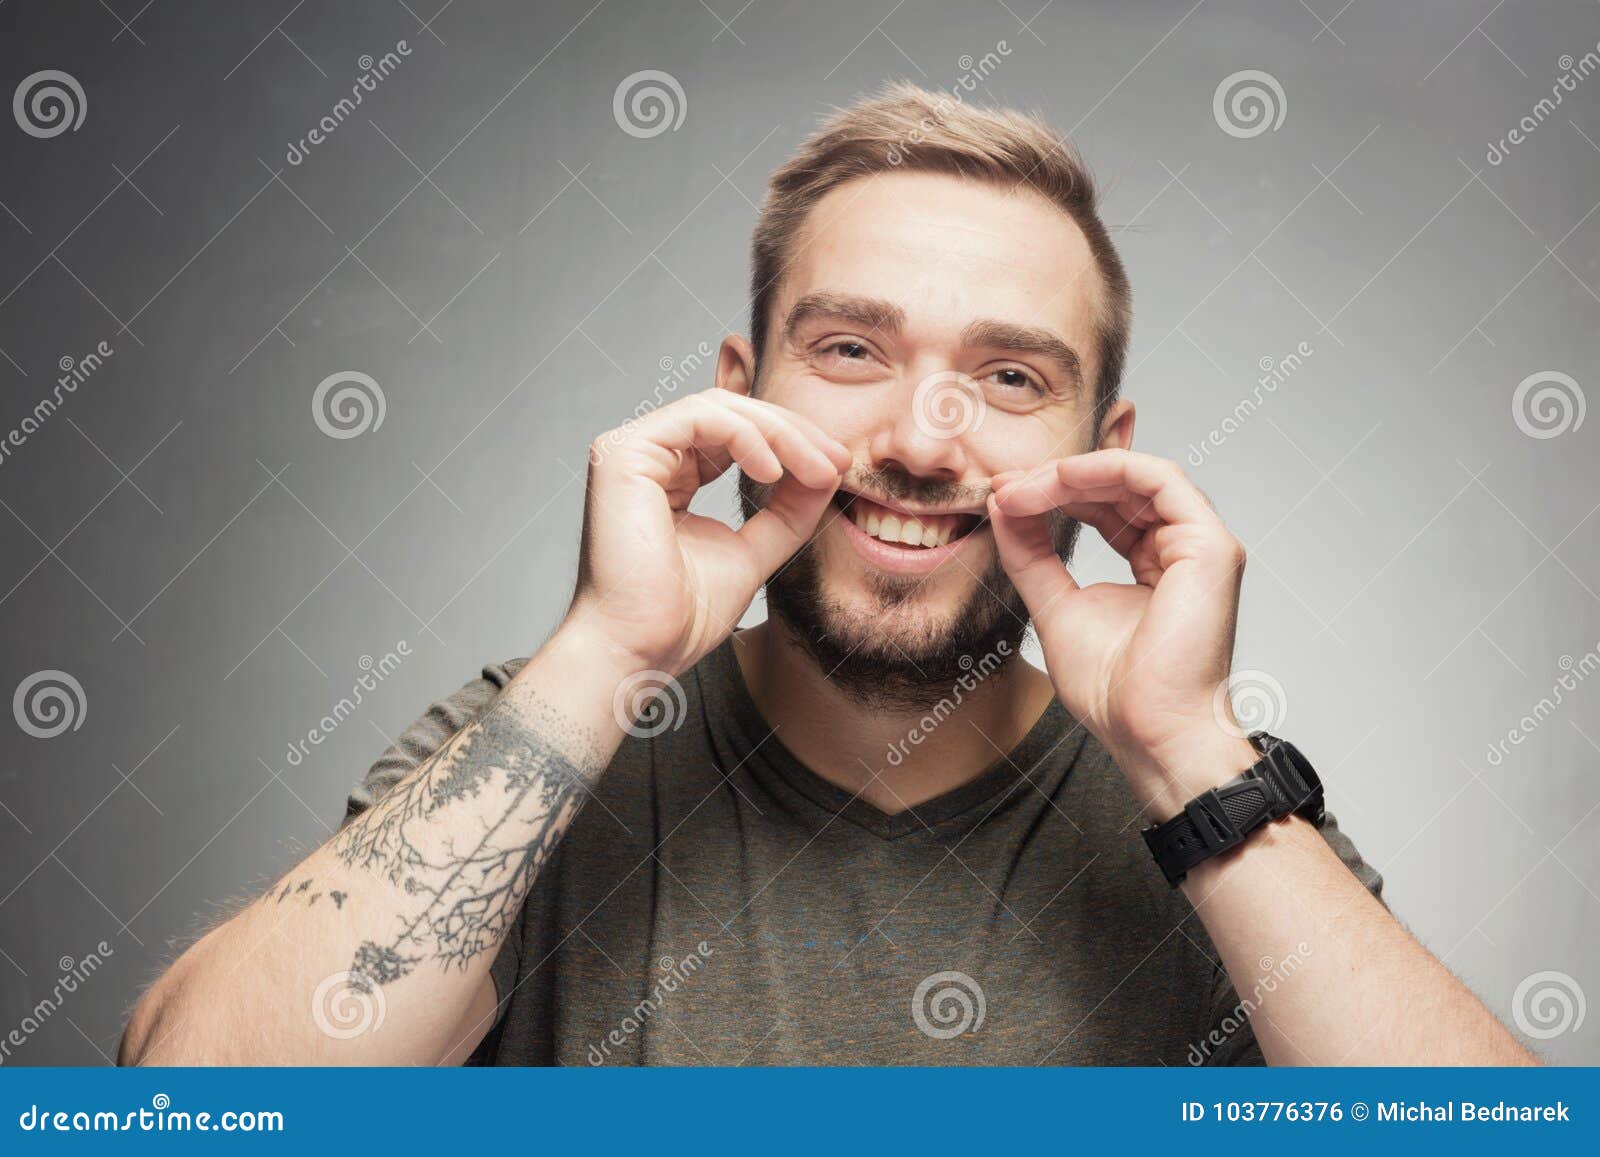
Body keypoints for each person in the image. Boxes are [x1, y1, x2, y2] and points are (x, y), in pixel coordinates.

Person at [120, 83, 1533, 1066]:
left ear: (1107, 452)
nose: (921, 441)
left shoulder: (1212, 802)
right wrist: (605, 658)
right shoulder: (544, 739)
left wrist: (1183, 750)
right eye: (852, 349)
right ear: (738, 390)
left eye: (1010, 374)